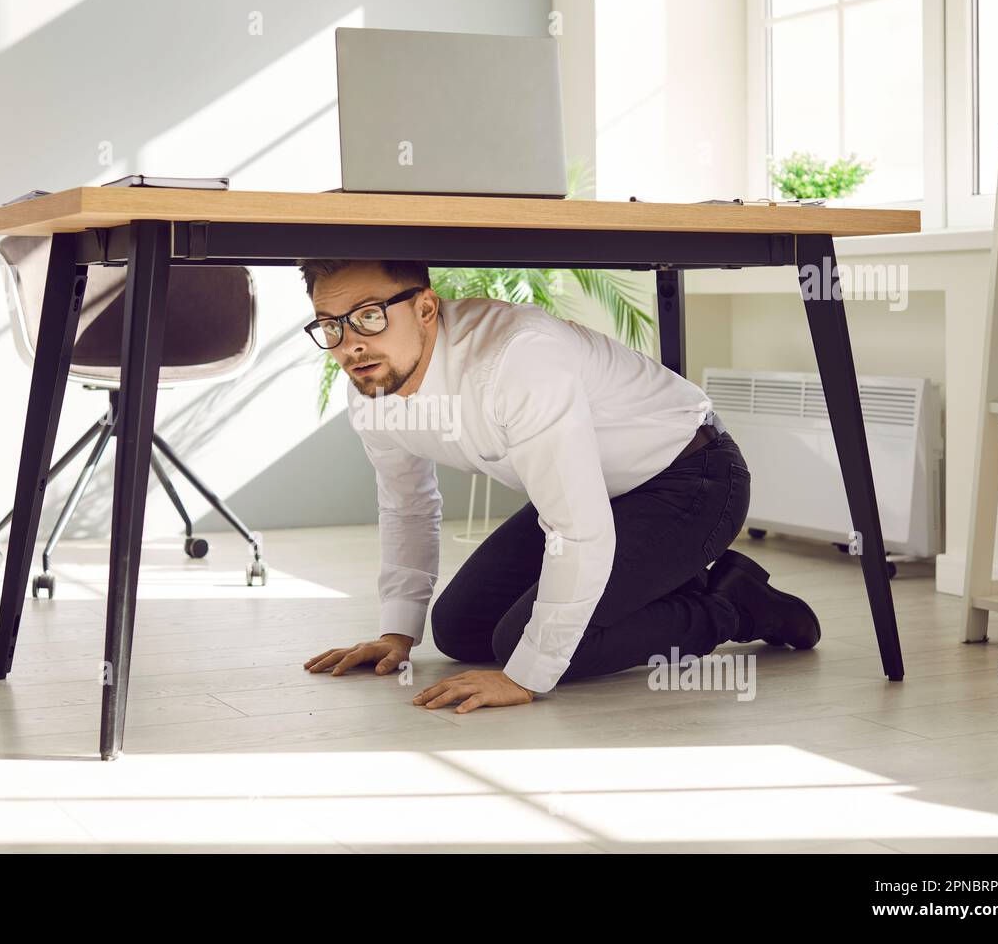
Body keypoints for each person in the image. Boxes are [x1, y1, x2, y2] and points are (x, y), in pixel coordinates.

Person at [299, 258, 821, 714]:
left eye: (369, 316)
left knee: (524, 646)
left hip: (691, 477)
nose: (351, 345)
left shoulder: (517, 358)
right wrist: (397, 631)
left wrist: (524, 677)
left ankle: (732, 605)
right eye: (331, 326)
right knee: (460, 629)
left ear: (426, 309)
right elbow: (407, 509)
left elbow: (577, 529)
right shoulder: (373, 386)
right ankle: (658, 578)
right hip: (595, 492)